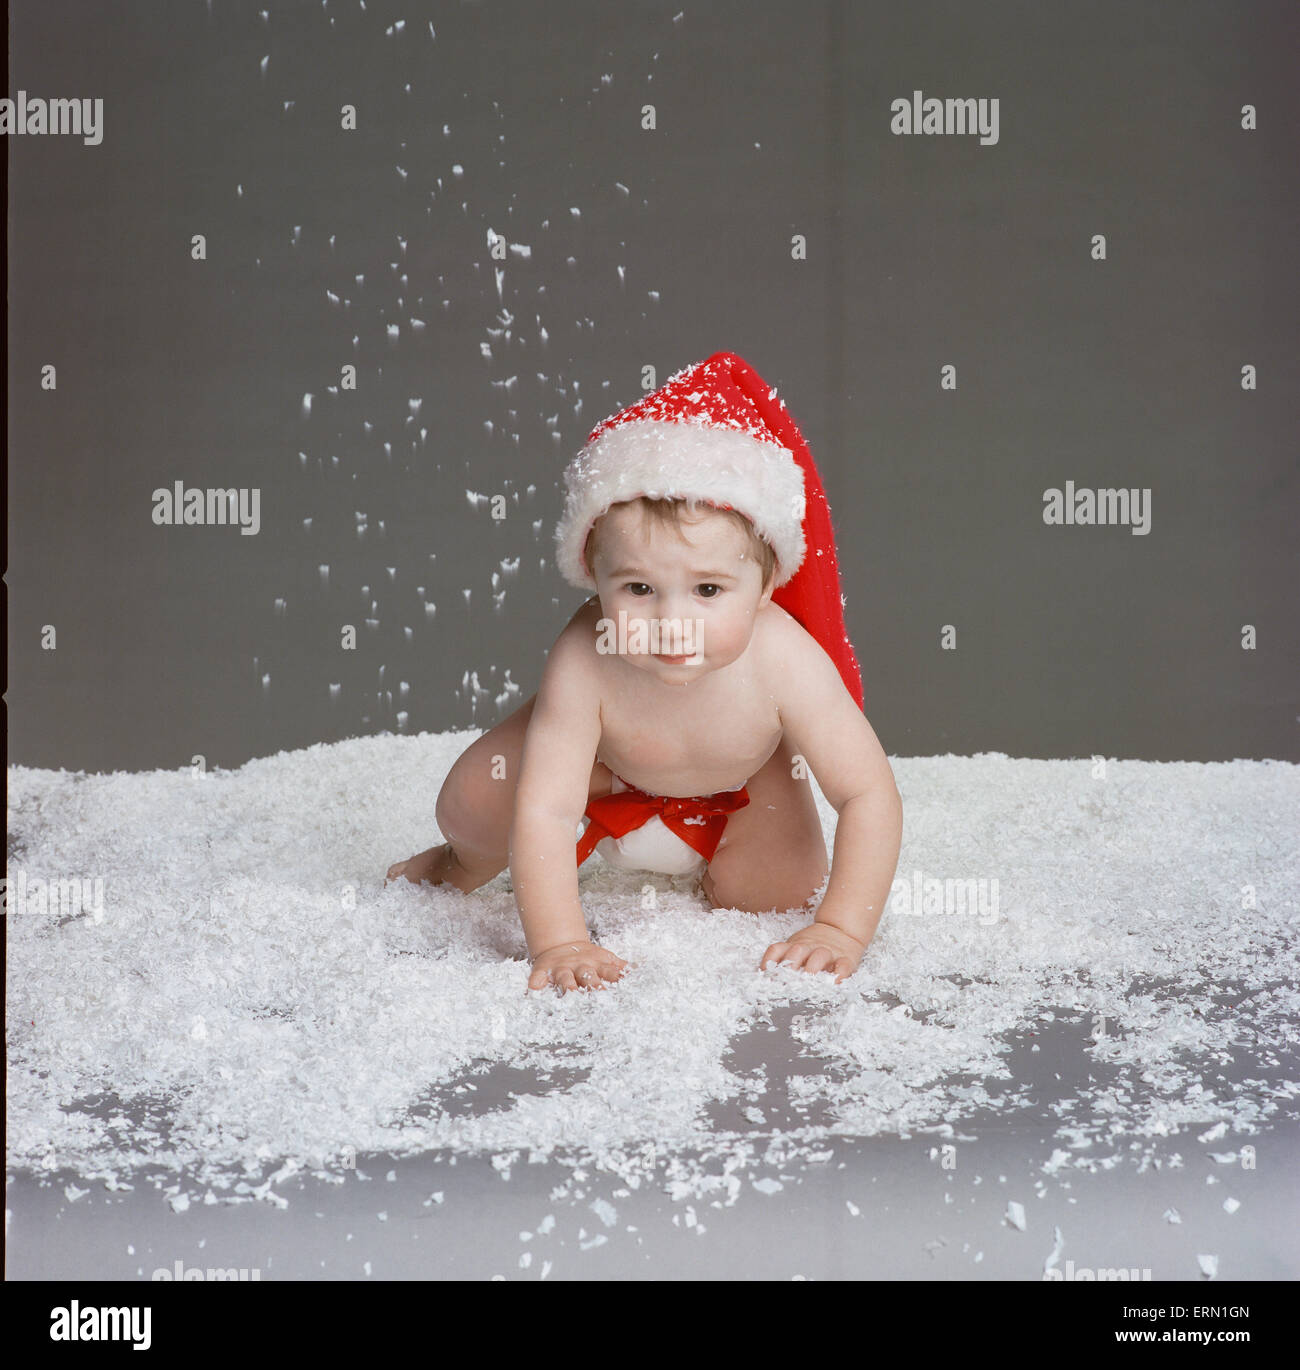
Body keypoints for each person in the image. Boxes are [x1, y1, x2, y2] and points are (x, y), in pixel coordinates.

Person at [387, 351, 902, 995]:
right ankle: (457, 863)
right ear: (593, 580)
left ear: (767, 584)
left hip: (737, 776)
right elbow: (546, 807)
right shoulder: (586, 652)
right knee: (475, 803)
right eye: (637, 587)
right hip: (605, 771)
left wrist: (841, 929)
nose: (671, 621)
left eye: (709, 590)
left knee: (778, 892)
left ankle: (714, 854)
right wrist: (562, 942)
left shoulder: (785, 658)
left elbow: (868, 794)